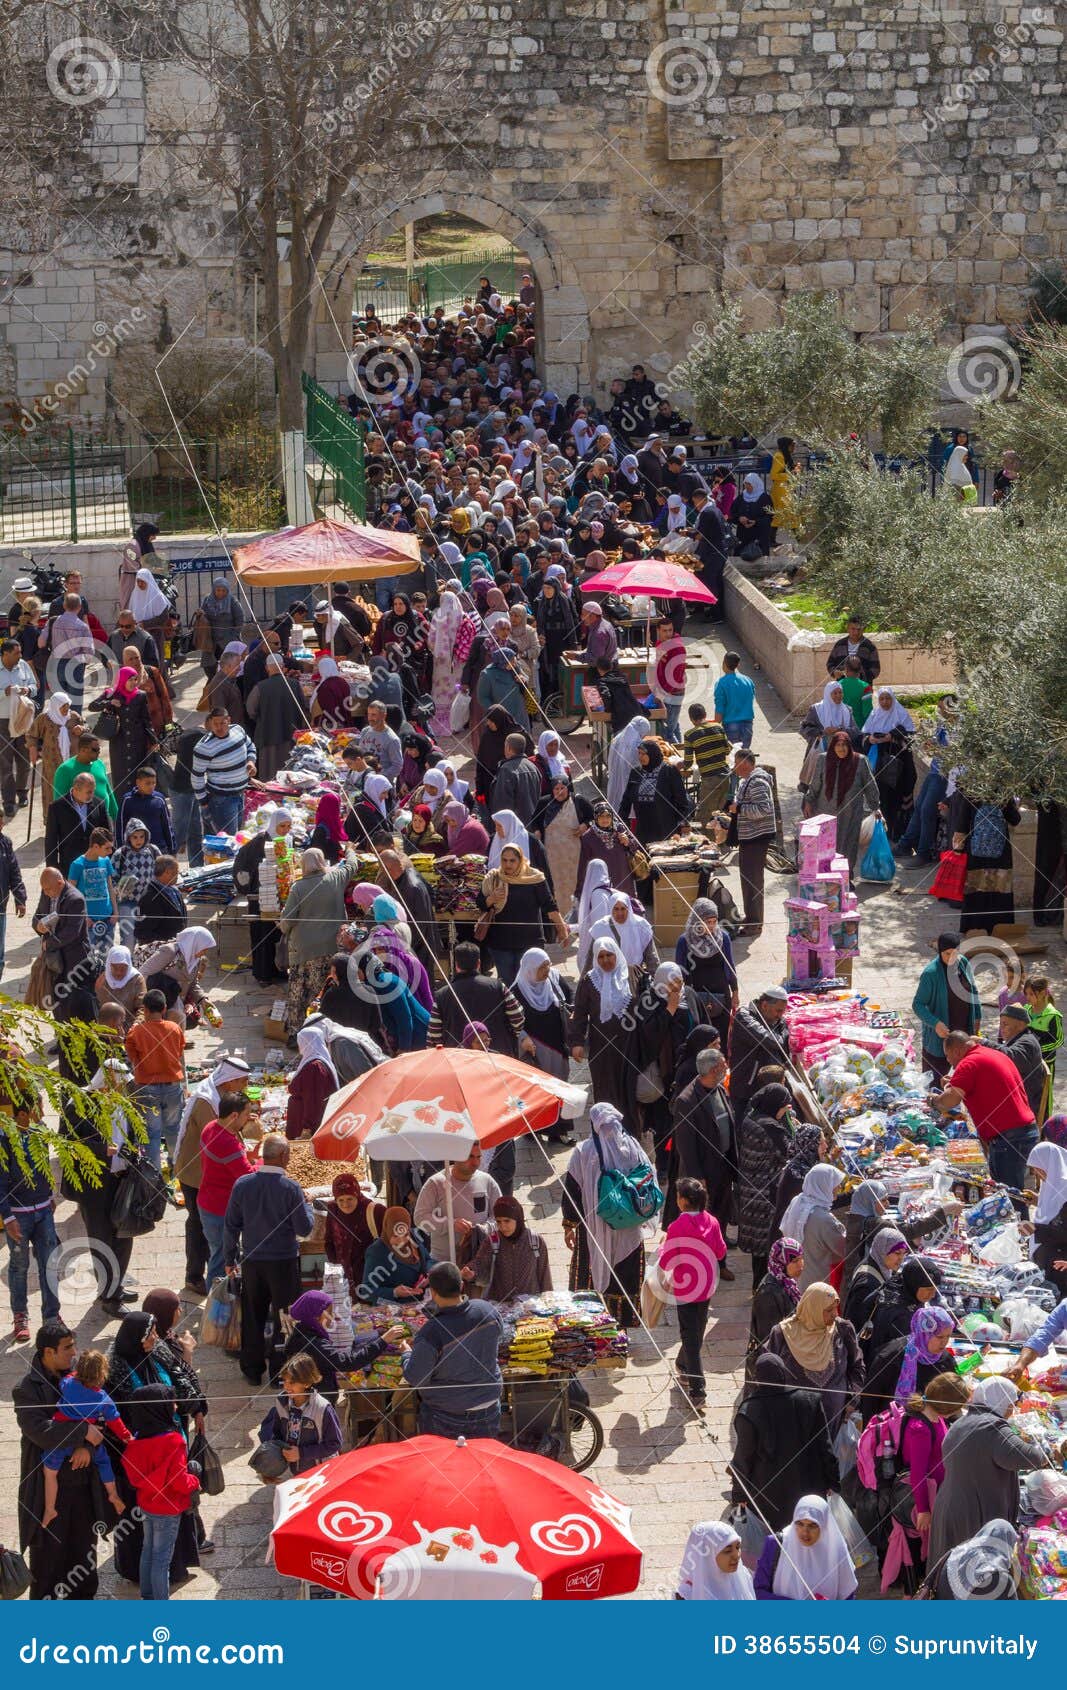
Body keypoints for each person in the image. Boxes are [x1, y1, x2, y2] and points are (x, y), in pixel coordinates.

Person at [14, 1319, 109, 1600]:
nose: (74, 1353)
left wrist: (88, 1449)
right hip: (47, 1492)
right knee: (48, 1562)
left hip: (82, 1486)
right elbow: (41, 1431)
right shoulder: (26, 1390)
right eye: (67, 1348)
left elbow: (102, 1419)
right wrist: (82, 1434)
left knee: (83, 1555)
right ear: (48, 1352)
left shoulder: (82, 1378)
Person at [926, 1377, 1045, 1572]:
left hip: (950, 1506)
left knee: (950, 1572)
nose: (1011, 1410)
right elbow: (1030, 1457)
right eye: (1011, 1404)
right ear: (1001, 1401)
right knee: (971, 1576)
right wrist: (1041, 1447)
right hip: (973, 1513)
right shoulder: (993, 1428)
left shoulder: (964, 1420)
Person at [224, 1133, 314, 1385]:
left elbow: (231, 1225)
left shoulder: (243, 1184)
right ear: (284, 1156)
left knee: (254, 1315)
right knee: (284, 1317)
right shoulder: (291, 1188)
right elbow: (304, 1228)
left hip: (252, 1262)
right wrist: (307, 1204)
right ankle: (279, 1371)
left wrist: (229, 1258)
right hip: (283, 1263)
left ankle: (252, 1370)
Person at [562, 1102, 648, 1326]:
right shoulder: (632, 1147)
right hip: (628, 1227)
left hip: (592, 1228)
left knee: (589, 1272)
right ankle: (621, 1327)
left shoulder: (583, 1151)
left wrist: (569, 1224)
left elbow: (573, 1190)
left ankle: (591, 1325)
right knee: (623, 1274)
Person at [731, 1357, 838, 1536]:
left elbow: (743, 1459)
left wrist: (739, 1497)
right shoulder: (809, 1400)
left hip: (768, 1494)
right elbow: (825, 1446)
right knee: (806, 1539)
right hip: (808, 1488)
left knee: (774, 1543)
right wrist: (833, 1482)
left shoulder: (749, 1411)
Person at [172, 1055, 252, 1293]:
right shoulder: (208, 1104)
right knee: (201, 1229)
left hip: (205, 1177)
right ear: (228, 1083)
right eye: (242, 1081)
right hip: (195, 1176)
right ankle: (197, 1277)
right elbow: (227, 1141)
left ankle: (211, 1276)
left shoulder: (218, 1102)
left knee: (209, 1234)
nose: (245, 1086)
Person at [401, 1259, 505, 1439]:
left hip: (446, 1414)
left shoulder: (431, 1332)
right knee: (481, 1463)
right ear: (462, 1285)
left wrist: (406, 1354)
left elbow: (416, 1377)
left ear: (432, 1293)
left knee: (446, 1466)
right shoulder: (486, 1310)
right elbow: (498, 1338)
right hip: (489, 1406)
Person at [121, 1383, 200, 1601]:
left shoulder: (136, 1442)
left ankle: (147, 1595)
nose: (175, 1406)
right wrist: (194, 1480)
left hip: (147, 1504)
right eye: (171, 1402)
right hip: (168, 1507)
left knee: (148, 1551)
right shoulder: (173, 1441)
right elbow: (179, 1482)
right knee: (162, 1560)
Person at [931, 1031, 1038, 1190]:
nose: (948, 1060)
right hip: (1023, 1131)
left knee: (1009, 1197)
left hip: (1010, 1137)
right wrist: (955, 1083)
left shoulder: (969, 1062)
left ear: (957, 1051)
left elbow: (949, 1101)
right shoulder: (990, 1054)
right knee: (1012, 1192)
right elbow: (980, 1083)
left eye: (947, 1055)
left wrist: (933, 1100)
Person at [41, 1348, 131, 1528]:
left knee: (49, 1473)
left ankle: (50, 1508)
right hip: (89, 1438)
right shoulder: (103, 1399)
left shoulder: (67, 1383)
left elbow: (68, 1379)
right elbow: (116, 1423)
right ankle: (112, 1493)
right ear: (102, 1374)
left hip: (61, 1435)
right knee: (104, 1462)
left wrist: (78, 1374)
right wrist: (128, 1437)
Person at [279, 846, 362, 1037]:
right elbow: (352, 864)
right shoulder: (336, 878)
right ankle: (319, 1032)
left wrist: (281, 924)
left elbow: (287, 921)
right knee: (321, 991)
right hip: (331, 947)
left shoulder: (298, 888)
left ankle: (295, 1033)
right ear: (322, 862)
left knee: (298, 992)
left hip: (302, 950)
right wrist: (349, 849)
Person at [762, 1282, 864, 1436]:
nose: (835, 1314)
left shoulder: (843, 1329)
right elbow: (767, 1374)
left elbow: (857, 1366)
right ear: (813, 1309)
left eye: (836, 1308)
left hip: (834, 1421)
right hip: (794, 1422)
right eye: (828, 1310)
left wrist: (853, 1400)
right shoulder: (782, 1334)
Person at [671, 1051, 736, 1280]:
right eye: (723, 1065)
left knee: (722, 1216)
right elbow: (685, 1144)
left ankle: (721, 1262)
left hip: (724, 1165)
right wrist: (698, 1177)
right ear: (712, 1070)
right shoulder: (687, 1100)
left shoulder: (720, 1088)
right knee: (704, 1221)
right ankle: (702, 1266)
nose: (726, 1068)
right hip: (704, 1172)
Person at [0, 1100, 61, 1341]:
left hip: (44, 1210)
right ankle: (20, 1315)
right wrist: (9, 1217)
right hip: (19, 1215)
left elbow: (44, 1166)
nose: (43, 1113)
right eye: (37, 1109)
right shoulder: (5, 1142)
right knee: (18, 1267)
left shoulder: (38, 1135)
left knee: (50, 1264)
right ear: (23, 1114)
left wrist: (50, 1195)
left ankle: (52, 1317)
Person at [662, 1176, 727, 1401]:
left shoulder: (676, 1227)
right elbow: (720, 1253)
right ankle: (683, 1363)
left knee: (690, 1334)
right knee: (697, 1328)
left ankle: (697, 1387)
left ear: (683, 1201)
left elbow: (667, 1262)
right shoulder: (713, 1222)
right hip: (707, 1285)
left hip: (687, 1288)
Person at [278, 1288, 401, 1398]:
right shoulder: (315, 1344)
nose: (332, 1317)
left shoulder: (302, 1331)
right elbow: (349, 1362)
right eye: (329, 1312)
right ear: (316, 1316)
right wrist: (383, 1340)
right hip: (318, 1401)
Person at [477, 843, 567, 983]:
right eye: (504, 860)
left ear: (520, 860)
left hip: (529, 941)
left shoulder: (535, 878)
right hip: (501, 943)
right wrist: (492, 898)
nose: (508, 864)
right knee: (507, 983)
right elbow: (480, 903)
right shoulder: (494, 878)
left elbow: (549, 906)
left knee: (528, 981)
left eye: (512, 860)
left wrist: (561, 929)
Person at [801, 731, 880, 878]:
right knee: (825, 844)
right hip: (825, 811)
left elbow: (870, 785)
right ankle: (826, 877)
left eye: (844, 745)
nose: (841, 749)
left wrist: (876, 807)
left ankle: (845, 876)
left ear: (849, 746)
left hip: (850, 812)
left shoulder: (860, 761)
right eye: (838, 745)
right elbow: (816, 784)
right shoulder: (823, 760)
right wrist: (809, 801)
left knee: (848, 844)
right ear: (833, 746)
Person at [754, 1494, 858, 1600]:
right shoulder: (775, 1544)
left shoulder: (837, 1550)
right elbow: (758, 1591)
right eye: (799, 1523)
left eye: (813, 1525)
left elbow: (847, 1595)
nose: (805, 1532)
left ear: (824, 1525)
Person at [124, 989, 185, 1169]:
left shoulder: (136, 1032)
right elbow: (179, 1052)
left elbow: (132, 1057)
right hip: (173, 1086)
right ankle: (176, 1165)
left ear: (145, 1010)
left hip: (146, 1088)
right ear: (164, 1008)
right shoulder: (175, 1028)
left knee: (152, 1133)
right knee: (173, 1128)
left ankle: (154, 1174)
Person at [413, 1145, 502, 1264]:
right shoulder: (435, 1183)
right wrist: (451, 1224)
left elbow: (500, 1217)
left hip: (479, 1260)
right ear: (456, 1156)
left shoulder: (487, 1181)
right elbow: (420, 1218)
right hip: (443, 1261)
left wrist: (481, 1230)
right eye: (470, 1157)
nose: (475, 1162)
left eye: (478, 1157)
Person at [912, 931, 981, 1079]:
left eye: (955, 953)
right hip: (940, 1038)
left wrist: (977, 1017)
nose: (951, 958)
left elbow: (973, 990)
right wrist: (935, 1024)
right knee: (934, 1083)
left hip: (963, 1035)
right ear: (940, 952)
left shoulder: (963, 963)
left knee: (966, 1080)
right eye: (947, 954)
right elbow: (917, 1004)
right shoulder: (931, 973)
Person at [950, 789, 1021, 934]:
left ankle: (973, 926)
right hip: (1000, 853)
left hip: (976, 851)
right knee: (1000, 887)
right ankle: (999, 926)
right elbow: (1015, 819)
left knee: (976, 887)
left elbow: (962, 821)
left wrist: (958, 848)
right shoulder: (1003, 790)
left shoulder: (970, 789)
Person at [511, 946, 574, 1101]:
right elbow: (510, 1021)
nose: (547, 970)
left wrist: (573, 1013)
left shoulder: (554, 978)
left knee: (560, 1088)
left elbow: (570, 995)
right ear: (530, 970)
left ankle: (561, 1122)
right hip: (535, 1051)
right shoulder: (516, 992)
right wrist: (523, 1038)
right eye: (542, 967)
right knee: (540, 1092)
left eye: (548, 965)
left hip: (558, 1045)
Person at [729, 750, 776, 934]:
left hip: (756, 838)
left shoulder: (756, 782)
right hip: (748, 836)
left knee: (753, 881)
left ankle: (754, 923)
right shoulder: (747, 780)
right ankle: (750, 917)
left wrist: (739, 808)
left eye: (737, 763)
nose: (735, 767)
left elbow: (764, 809)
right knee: (747, 879)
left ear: (746, 764)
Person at [33, 866, 91, 1015]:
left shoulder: (75, 899)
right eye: (44, 890)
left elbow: (71, 932)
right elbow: (37, 916)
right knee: (55, 997)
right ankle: (60, 1032)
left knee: (71, 998)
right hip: (53, 957)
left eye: (48, 889)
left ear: (60, 883)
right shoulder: (46, 892)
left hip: (73, 958)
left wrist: (49, 943)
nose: (46, 893)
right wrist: (38, 927)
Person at [470, 1195, 553, 1300]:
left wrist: (549, 1301)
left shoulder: (535, 1241)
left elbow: (545, 1276)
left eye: (507, 1221)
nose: (503, 1226)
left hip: (529, 1308)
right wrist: (471, 1273)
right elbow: (480, 1264)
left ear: (517, 1218)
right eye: (499, 1221)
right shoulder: (492, 1241)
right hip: (501, 1306)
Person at [727, 986, 790, 1122]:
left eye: (783, 1011)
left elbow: (784, 1042)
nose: (780, 1015)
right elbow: (771, 1040)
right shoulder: (744, 1016)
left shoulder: (777, 1020)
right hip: (746, 1087)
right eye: (778, 1011)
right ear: (765, 1005)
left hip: (767, 1085)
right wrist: (780, 1036)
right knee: (743, 1126)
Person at [531, 774, 591, 917]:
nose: (559, 791)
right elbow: (534, 820)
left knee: (575, 883)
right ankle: (559, 919)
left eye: (562, 788)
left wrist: (585, 825)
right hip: (552, 854)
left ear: (568, 788)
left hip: (574, 853)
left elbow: (594, 815)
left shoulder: (578, 801)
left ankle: (577, 917)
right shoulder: (544, 803)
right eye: (556, 788)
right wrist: (537, 831)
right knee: (556, 886)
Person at [192, 706, 256, 837]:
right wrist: (203, 803)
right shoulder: (204, 747)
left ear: (229, 720)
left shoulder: (238, 730)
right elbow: (196, 777)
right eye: (215, 724)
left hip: (240, 794)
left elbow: (251, 747)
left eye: (222, 723)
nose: (219, 727)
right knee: (228, 842)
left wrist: (250, 762)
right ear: (210, 723)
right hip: (221, 801)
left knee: (237, 837)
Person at [780, 1164, 846, 1290]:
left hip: (796, 1277)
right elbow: (844, 1249)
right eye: (835, 1184)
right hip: (815, 1282)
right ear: (824, 1185)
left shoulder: (798, 1201)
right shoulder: (824, 1219)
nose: (839, 1188)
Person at [139, 925, 216, 1030]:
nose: (204, 952)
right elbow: (143, 973)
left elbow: (192, 983)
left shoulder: (196, 960)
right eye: (204, 949)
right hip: (157, 998)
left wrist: (203, 999)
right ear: (195, 943)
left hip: (174, 999)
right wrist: (142, 1000)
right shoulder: (170, 951)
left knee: (176, 1025)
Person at [746, 1239, 805, 1378]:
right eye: (795, 1261)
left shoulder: (786, 1283)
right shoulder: (769, 1293)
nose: (801, 1265)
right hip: (773, 1366)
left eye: (802, 1258)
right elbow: (770, 1338)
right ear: (781, 1262)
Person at [324, 1174, 386, 1302]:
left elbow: (389, 1242)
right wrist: (337, 1272)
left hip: (373, 1280)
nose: (345, 1204)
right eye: (340, 1200)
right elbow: (329, 1242)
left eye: (350, 1199)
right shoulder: (333, 1210)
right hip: (346, 1284)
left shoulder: (375, 1211)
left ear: (357, 1195)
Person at [246, 655, 306, 782]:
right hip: (291, 735)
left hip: (267, 735)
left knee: (269, 773)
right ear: (283, 667)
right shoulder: (295, 684)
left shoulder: (260, 687)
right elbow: (304, 708)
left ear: (267, 668)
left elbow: (251, 709)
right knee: (290, 773)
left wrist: (262, 718)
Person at [621, 738, 690, 846]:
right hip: (643, 827)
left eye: (644, 754)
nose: (640, 757)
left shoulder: (669, 771)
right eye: (639, 753)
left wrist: (682, 822)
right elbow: (626, 799)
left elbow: (681, 800)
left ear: (653, 754)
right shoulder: (636, 772)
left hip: (665, 827)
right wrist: (622, 821)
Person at [45, 770, 112, 878]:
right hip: (69, 868)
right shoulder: (57, 808)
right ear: (76, 789)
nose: (92, 795)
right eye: (88, 792)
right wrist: (53, 869)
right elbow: (51, 841)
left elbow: (107, 835)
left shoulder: (99, 804)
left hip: (96, 867)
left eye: (93, 791)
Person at [841, 1228, 908, 1336]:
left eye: (904, 1253)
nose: (901, 1259)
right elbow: (855, 1323)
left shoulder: (879, 1266)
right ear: (882, 1250)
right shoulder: (867, 1283)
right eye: (897, 1253)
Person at [362, 1207, 434, 1302]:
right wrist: (394, 1292)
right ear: (387, 1229)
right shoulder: (376, 1251)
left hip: (421, 1304)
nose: (401, 1241)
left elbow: (428, 1260)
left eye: (405, 1235)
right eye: (395, 1236)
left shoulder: (413, 1237)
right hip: (394, 1310)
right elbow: (365, 1291)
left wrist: (430, 1273)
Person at [0, 637, 37, 817]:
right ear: (5, 654)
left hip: (22, 720)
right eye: (16, 653)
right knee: (4, 763)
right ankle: (8, 801)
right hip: (2, 722)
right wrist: (3, 692)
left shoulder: (23, 665)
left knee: (23, 759)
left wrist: (28, 690)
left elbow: (34, 685)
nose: (20, 656)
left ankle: (22, 793)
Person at [675, 1520, 755, 1600]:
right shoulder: (687, 1595)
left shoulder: (743, 1576)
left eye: (738, 1547)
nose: (736, 1555)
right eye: (727, 1551)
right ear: (707, 1556)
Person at [995, 1001, 1048, 1122]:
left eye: (1005, 1024)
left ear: (1020, 1025)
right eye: (1000, 1024)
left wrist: (983, 1043)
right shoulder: (1017, 1039)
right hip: (1017, 1100)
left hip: (1026, 1108)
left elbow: (1010, 1056)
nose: (1001, 1029)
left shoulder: (1027, 1042)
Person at [28, 692, 81, 812]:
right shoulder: (44, 718)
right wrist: (33, 749)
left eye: (67, 706)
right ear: (56, 706)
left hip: (72, 761)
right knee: (52, 789)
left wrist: (82, 729)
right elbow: (32, 735)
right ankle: (52, 820)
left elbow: (85, 727)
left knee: (74, 787)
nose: (66, 709)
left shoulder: (73, 716)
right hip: (52, 763)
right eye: (63, 706)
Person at [285, 1023, 338, 1140]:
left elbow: (313, 1101)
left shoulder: (314, 1068)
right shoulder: (316, 1061)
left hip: (305, 1123)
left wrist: (307, 1129)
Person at [52, 731, 118, 822]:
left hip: (105, 819)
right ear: (83, 750)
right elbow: (59, 802)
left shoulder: (100, 764)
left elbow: (108, 791)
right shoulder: (65, 770)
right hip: (81, 822)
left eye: (99, 749)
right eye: (95, 750)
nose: (99, 752)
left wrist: (116, 816)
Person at [684, 702, 730, 821]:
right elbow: (727, 750)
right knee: (719, 816)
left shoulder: (690, 735)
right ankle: (720, 839)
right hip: (725, 777)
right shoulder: (718, 727)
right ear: (705, 714)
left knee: (705, 818)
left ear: (691, 719)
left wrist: (678, 765)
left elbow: (688, 762)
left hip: (710, 780)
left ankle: (707, 839)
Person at [117, 764, 174, 854]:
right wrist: (121, 851)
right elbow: (120, 827)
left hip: (159, 850)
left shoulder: (159, 799)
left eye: (154, 783)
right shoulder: (127, 800)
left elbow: (167, 825)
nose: (151, 786)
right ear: (138, 782)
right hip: (135, 852)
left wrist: (172, 850)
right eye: (148, 783)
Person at [194, 577, 242, 678]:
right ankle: (213, 683)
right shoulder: (207, 600)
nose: (221, 593)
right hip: (210, 640)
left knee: (229, 666)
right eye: (218, 590)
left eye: (223, 590)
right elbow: (203, 616)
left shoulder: (233, 602)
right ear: (214, 590)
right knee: (209, 667)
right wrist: (200, 614)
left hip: (228, 639)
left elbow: (239, 621)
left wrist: (234, 636)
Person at [1025, 974, 1063, 1093]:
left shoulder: (1053, 1015)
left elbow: (1058, 1041)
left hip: (1046, 1064)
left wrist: (1037, 1049)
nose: (1027, 997)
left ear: (1042, 993)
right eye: (1026, 994)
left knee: (1044, 1097)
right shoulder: (1025, 1010)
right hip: (1028, 1062)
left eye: (1031, 994)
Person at [713, 653, 756, 749]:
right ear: (738, 665)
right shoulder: (748, 680)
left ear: (724, 663)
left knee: (734, 757)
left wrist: (715, 725)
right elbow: (751, 699)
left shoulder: (721, 683)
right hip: (748, 724)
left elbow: (719, 707)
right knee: (744, 756)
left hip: (731, 725)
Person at [827, 617, 881, 685]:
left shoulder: (869, 646)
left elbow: (876, 669)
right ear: (848, 629)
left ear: (863, 629)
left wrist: (860, 676)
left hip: (863, 688)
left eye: (859, 629)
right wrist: (834, 672)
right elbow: (830, 663)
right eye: (853, 629)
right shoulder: (840, 645)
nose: (856, 632)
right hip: (842, 688)